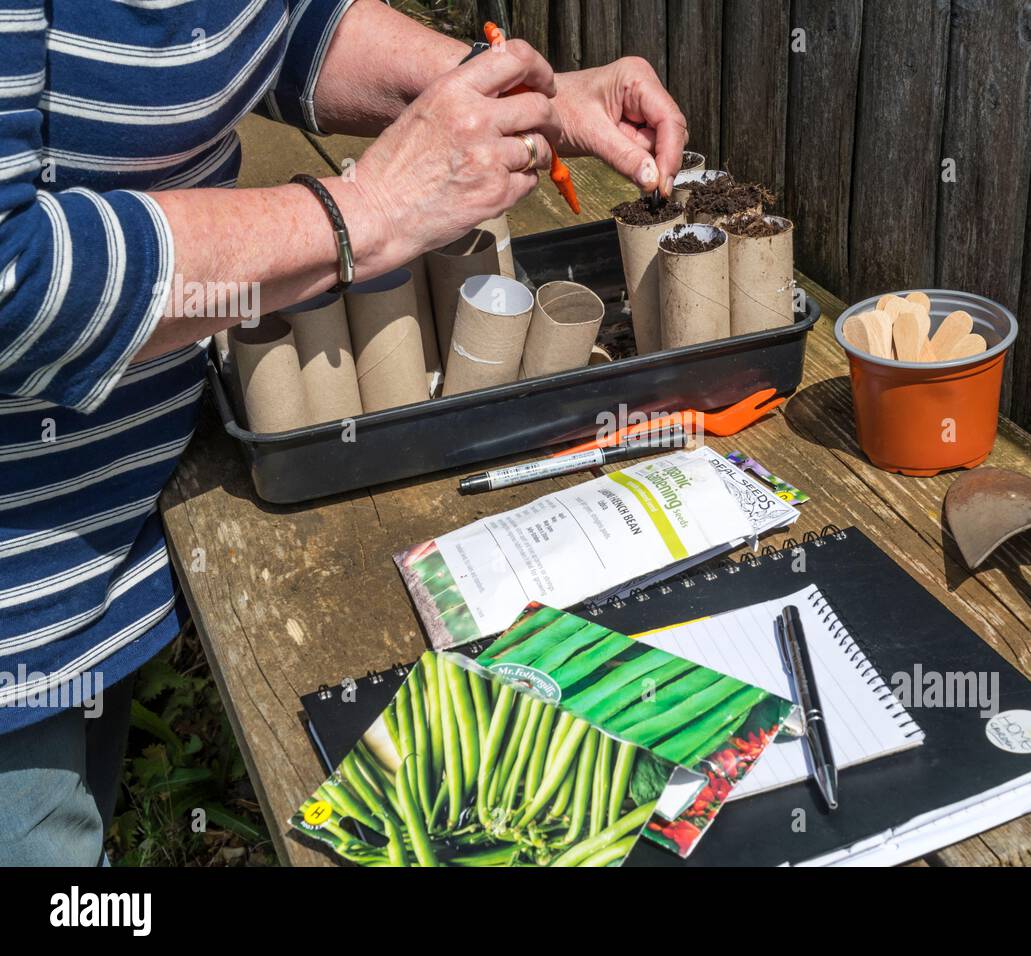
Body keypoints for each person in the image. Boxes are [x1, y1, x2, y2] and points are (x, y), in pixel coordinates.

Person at [0, 0, 686, 865]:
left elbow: (278, 29)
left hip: (110, 533)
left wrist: (514, 101)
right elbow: (9, 275)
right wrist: (362, 211)